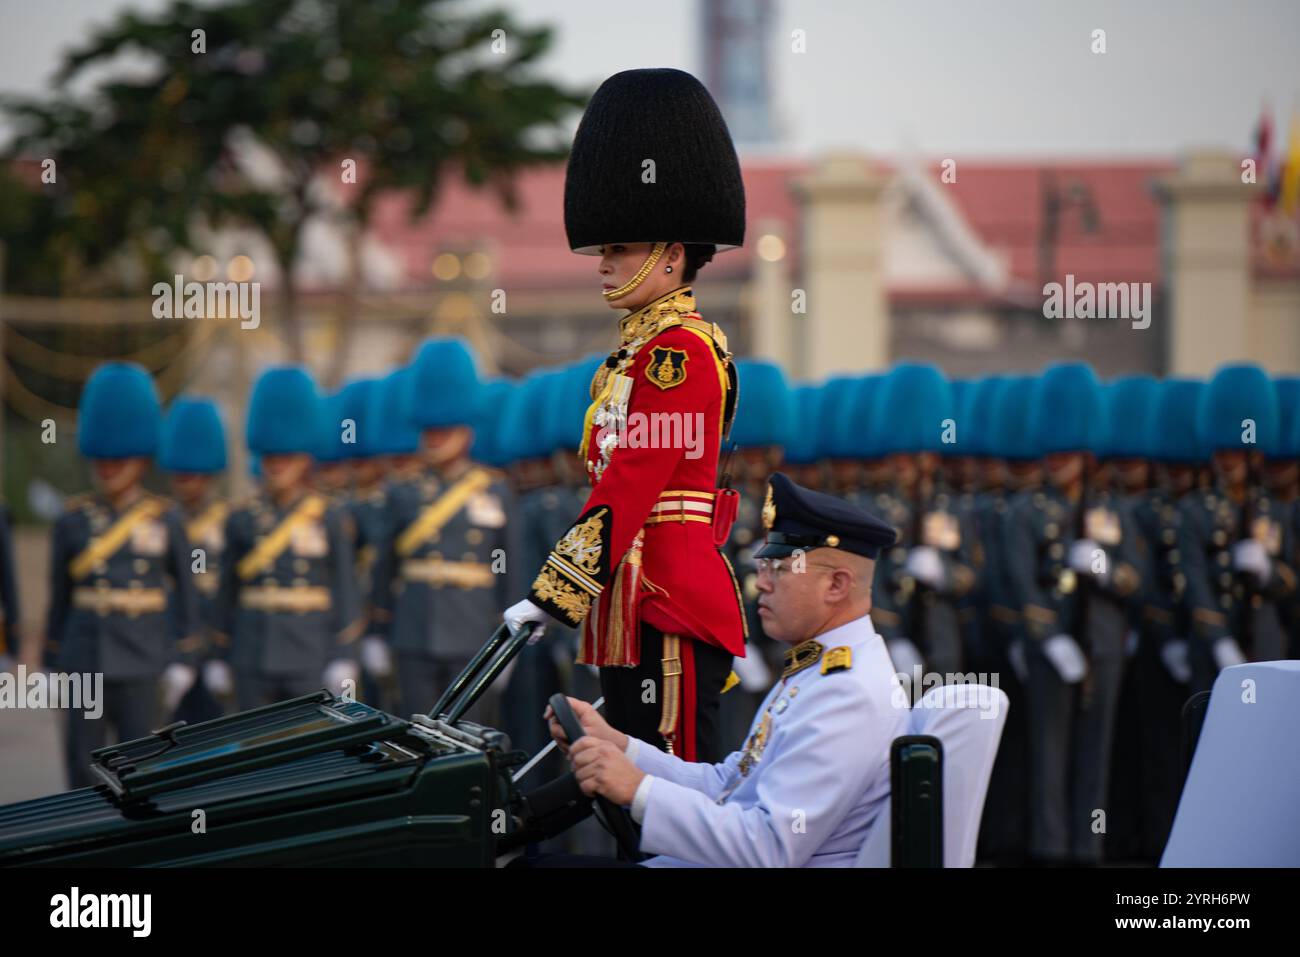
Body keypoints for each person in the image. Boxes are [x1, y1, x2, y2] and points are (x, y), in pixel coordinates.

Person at [503, 68, 747, 763]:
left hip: (668, 599)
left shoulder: (679, 354)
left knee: (666, 792)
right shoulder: (638, 351)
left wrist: (555, 592)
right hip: (632, 599)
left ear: (672, 256)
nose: (603, 262)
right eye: (605, 248)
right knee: (620, 784)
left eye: (621, 247)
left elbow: (635, 479)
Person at [532, 472, 906, 867]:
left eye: (779, 568)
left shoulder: (845, 693)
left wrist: (637, 790)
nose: (760, 583)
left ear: (835, 586)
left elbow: (768, 848)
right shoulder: (821, 670)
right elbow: (730, 783)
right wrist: (622, 748)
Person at [46, 362, 202, 788]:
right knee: (83, 769)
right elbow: (59, 596)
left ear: (140, 454)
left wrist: (184, 659)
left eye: (120, 457)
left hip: (142, 658)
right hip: (86, 658)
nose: (109, 465)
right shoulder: (73, 520)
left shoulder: (165, 520)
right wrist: (50, 660)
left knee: (141, 769)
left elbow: (186, 596)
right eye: (104, 457)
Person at [369, 338, 518, 720]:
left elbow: (508, 568)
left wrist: (510, 639)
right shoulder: (403, 493)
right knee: (418, 737)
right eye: (430, 430)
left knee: (471, 741)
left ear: (465, 430)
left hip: (473, 632)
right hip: (414, 629)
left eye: (445, 428)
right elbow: (384, 567)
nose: (435, 437)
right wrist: (377, 630)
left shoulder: (495, 489)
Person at [214, 366, 362, 711]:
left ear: (305, 456)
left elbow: (345, 588)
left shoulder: (330, 515)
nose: (276, 464)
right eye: (271, 457)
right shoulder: (242, 518)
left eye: (286, 456)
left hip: (308, 651)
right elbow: (227, 593)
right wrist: (218, 653)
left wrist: (344, 654)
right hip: (252, 651)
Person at [158, 396, 232, 724]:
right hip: (167, 640)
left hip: (214, 639)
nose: (186, 482)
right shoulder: (160, 521)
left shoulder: (229, 521)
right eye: (181, 475)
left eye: (194, 475)